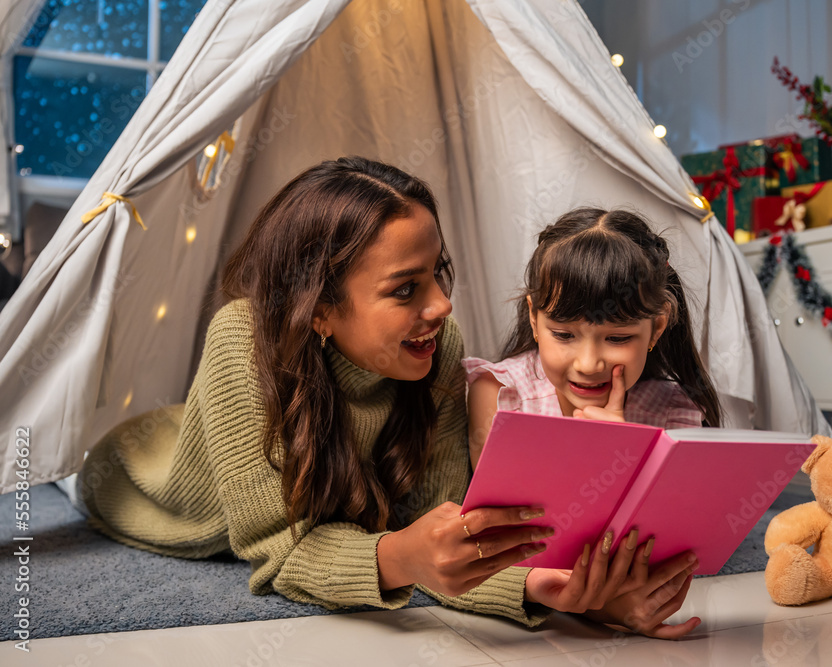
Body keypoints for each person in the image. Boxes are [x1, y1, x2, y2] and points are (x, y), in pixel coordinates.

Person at [78, 158, 696, 636]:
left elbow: (443, 527)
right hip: (147, 477)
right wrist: (400, 555)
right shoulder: (243, 341)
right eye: (406, 289)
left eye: (438, 273)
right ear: (319, 310)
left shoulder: (438, 344)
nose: (442, 305)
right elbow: (279, 553)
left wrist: (550, 591)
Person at [464, 207, 724, 637]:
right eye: (563, 335)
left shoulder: (673, 409)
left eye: (618, 338)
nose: (589, 364)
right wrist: (607, 610)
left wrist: (621, 446)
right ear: (533, 317)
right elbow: (506, 540)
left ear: (656, 328)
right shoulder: (500, 393)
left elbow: (663, 550)